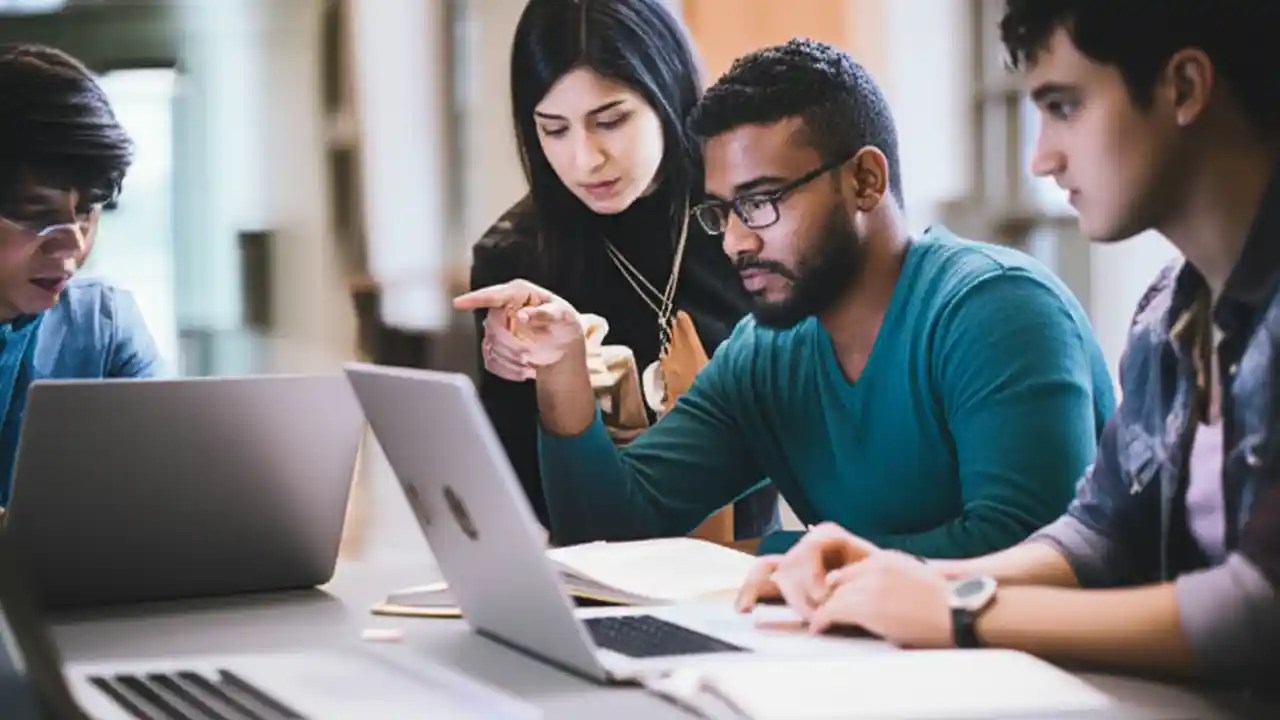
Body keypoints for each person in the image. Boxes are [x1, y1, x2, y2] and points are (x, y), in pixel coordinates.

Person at [737, 0, 1280, 689]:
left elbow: (1260, 610)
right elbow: (1100, 535)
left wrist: (965, 614)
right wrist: (901, 579)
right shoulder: (1170, 315)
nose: (1042, 156)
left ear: (1184, 88)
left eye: (1064, 107)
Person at [456, 38, 1115, 558]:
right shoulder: (765, 352)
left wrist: (765, 557)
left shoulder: (998, 312)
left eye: (761, 201)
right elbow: (612, 530)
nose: (736, 240)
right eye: (722, 211)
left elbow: (1025, 554)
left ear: (863, 180)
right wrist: (562, 368)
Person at [466, 0, 779, 543]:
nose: (585, 160)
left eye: (610, 121)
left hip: (749, 571)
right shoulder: (516, 259)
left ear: (667, 92)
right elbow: (521, 497)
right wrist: (524, 374)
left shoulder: (749, 220)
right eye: (553, 129)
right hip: (593, 578)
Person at [0, 44, 165, 506]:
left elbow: (168, 485)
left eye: (88, 211)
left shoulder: (103, 326)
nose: (73, 243)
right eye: (37, 215)